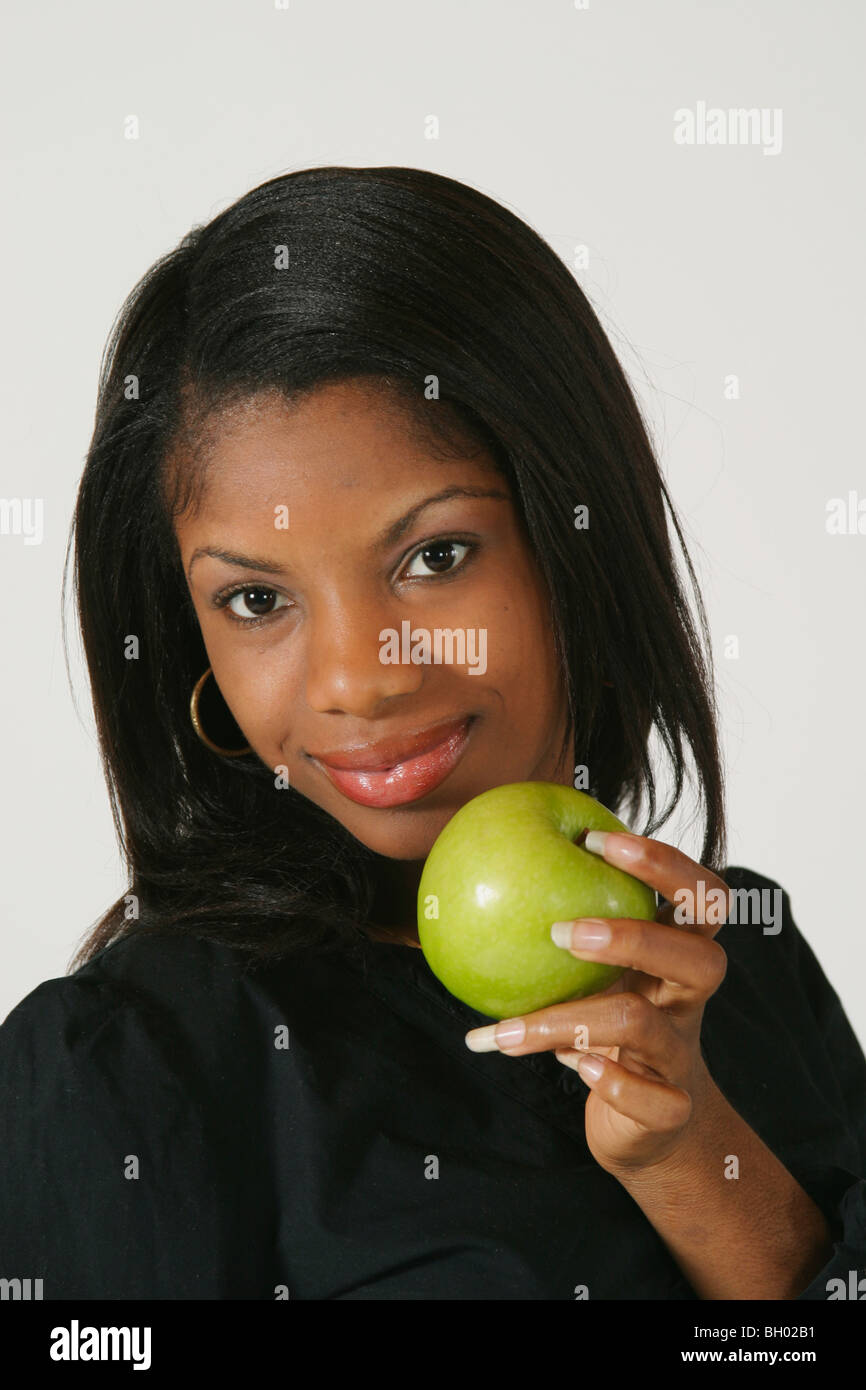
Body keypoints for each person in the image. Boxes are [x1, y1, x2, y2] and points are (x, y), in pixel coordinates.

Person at [1, 166, 864, 1301]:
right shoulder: (121, 1065)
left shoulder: (744, 968)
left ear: (575, 544)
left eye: (434, 557)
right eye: (256, 601)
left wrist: (687, 1153)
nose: (358, 680)